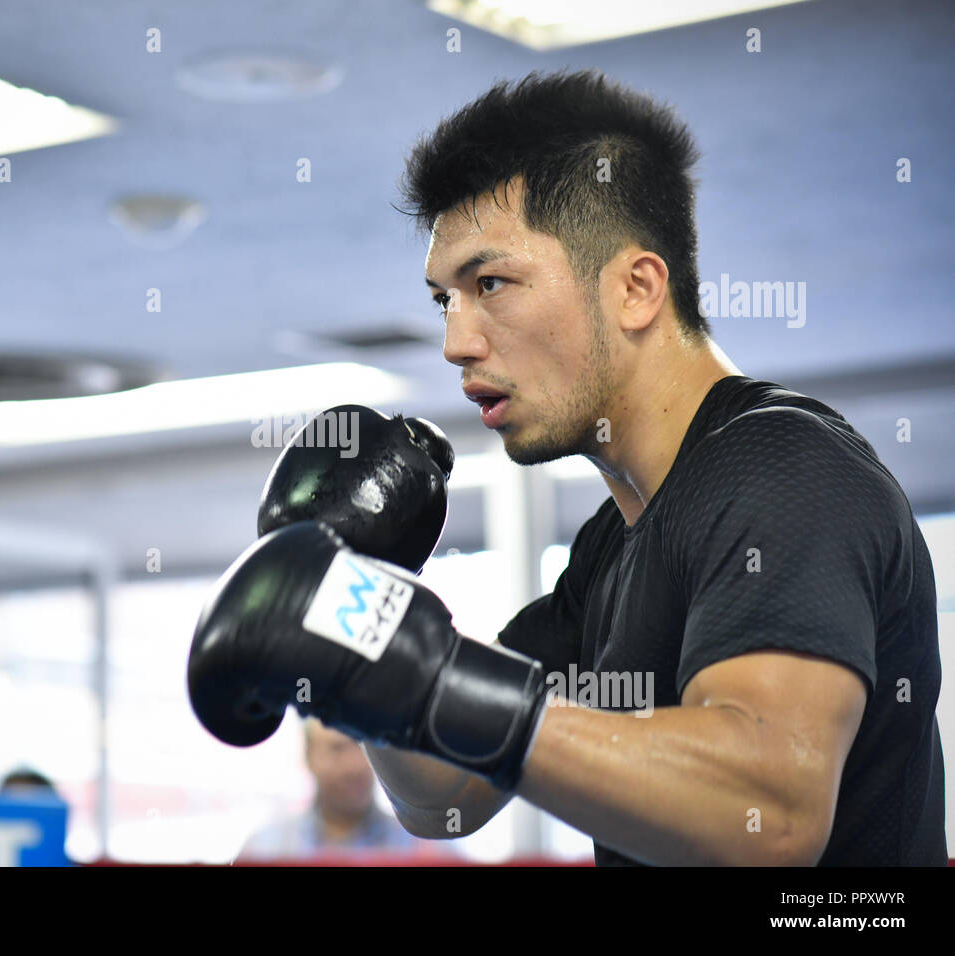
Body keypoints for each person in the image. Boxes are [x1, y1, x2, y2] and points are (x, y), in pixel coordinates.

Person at [188, 69, 945, 867]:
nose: (456, 343)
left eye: (491, 283)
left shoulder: (786, 470)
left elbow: (770, 812)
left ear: (636, 288)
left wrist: (433, 682)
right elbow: (445, 798)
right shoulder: (610, 549)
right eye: (445, 299)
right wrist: (361, 610)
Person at [237, 717, 459, 861]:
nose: (355, 766)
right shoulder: (264, 850)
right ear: (309, 756)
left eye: (364, 748)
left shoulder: (427, 853)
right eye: (337, 749)